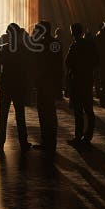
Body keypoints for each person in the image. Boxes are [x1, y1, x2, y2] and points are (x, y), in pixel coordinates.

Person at [0, 24, 32, 152]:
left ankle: (0, 142)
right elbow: (28, 70)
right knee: (20, 115)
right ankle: (23, 142)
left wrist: (0, 83)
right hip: (19, 86)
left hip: (6, 86)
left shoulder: (2, 49)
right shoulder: (24, 50)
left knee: (3, 115)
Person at [65, 23, 99, 145]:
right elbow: (96, 61)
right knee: (89, 110)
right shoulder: (90, 45)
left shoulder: (74, 45)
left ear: (73, 32)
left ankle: (78, 136)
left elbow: (68, 62)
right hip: (87, 79)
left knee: (78, 111)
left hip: (77, 80)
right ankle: (88, 136)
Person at [31, 21, 60, 154]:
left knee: (44, 112)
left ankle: (47, 141)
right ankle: (50, 141)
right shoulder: (54, 43)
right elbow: (58, 63)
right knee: (49, 112)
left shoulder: (40, 44)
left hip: (44, 82)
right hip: (50, 82)